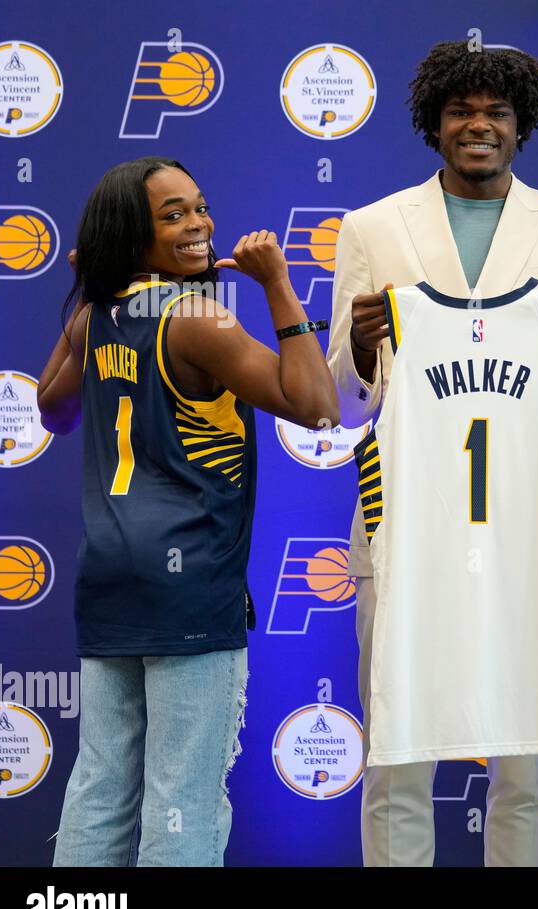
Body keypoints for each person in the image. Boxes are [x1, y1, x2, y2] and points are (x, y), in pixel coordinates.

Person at [327, 41, 538, 867]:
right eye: (461, 111)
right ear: (433, 123)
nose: (479, 125)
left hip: (529, 524)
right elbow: (346, 402)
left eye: (497, 113)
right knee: (396, 753)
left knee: (529, 754)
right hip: (410, 525)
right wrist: (366, 345)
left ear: (521, 128)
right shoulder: (373, 227)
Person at [36, 156, 339, 866]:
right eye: (172, 216)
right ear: (131, 236)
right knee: (184, 799)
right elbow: (318, 406)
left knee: (101, 787)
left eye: (199, 207)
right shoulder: (197, 318)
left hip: (110, 583)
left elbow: (53, 409)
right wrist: (277, 285)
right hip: (188, 589)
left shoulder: (96, 317)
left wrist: (89, 293)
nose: (199, 224)